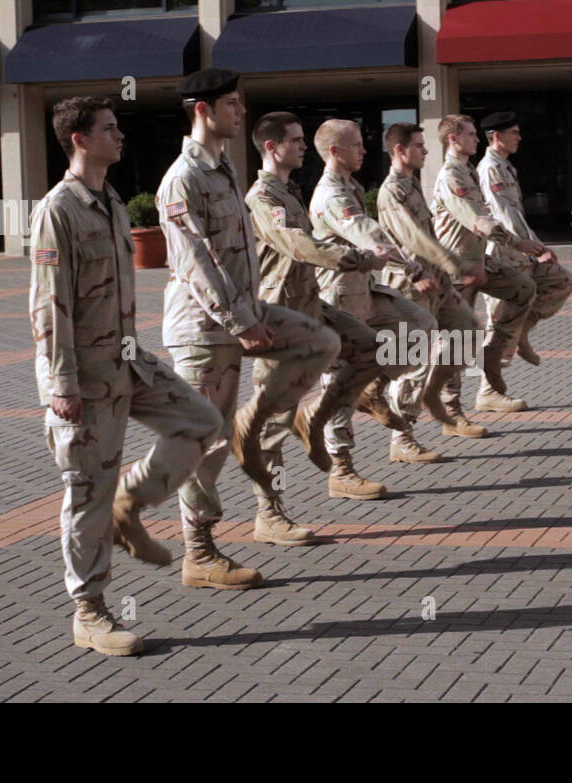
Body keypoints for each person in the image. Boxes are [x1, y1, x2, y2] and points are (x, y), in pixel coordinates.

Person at [30, 96, 223, 657]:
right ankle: (90, 612)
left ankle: (131, 501)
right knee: (86, 491)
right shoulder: (57, 210)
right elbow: (48, 307)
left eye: (118, 128)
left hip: (127, 359)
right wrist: (62, 384)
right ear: (79, 140)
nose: (121, 137)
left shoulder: (112, 202)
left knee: (202, 420)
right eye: (109, 130)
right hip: (83, 376)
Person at [158, 69, 340, 557]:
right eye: (233, 104)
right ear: (204, 109)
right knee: (204, 442)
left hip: (245, 316)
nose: (241, 112)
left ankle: (254, 424)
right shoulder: (183, 179)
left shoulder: (223, 169)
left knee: (323, 343)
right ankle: (199, 551)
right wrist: (243, 322)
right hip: (202, 329)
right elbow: (197, 261)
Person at [244, 112, 400, 510]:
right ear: (271, 147)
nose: (301, 146)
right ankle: (270, 511)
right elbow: (299, 246)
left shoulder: (290, 191)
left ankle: (315, 414)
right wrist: (360, 258)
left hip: (310, 304)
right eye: (295, 141)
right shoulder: (262, 198)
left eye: (301, 140)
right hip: (279, 315)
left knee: (370, 347)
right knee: (274, 420)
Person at [309, 118, 444, 481]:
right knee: (339, 380)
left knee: (422, 325)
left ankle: (376, 385)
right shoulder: (332, 196)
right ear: (335, 151)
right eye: (356, 145)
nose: (365, 151)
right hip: (338, 298)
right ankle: (341, 469)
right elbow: (369, 235)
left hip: (364, 291)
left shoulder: (349, 186)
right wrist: (415, 270)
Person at [431, 114, 551, 415]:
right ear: (453, 139)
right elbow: (477, 219)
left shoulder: (468, 172)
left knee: (524, 288)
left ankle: (492, 357)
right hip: (455, 269)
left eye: (475, 134)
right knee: (456, 340)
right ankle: (452, 412)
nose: (476, 138)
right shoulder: (451, 176)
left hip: (477, 262)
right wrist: (517, 243)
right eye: (470, 135)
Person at [376, 122, 488, 439]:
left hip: (437, 283)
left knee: (468, 333)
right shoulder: (392, 192)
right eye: (419, 146)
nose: (426, 151)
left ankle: (440, 400)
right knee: (413, 362)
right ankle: (403, 437)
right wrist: (445, 266)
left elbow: (427, 235)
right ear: (400, 150)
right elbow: (410, 240)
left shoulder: (412, 185)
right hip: (410, 285)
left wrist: (447, 275)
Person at [476, 111, 572, 369]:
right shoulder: (490, 169)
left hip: (520, 252)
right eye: (514, 133)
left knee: (562, 281)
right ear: (497, 136)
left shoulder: (506, 167)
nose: (520, 138)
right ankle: (489, 390)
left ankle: (522, 331)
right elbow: (503, 215)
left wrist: (536, 246)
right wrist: (534, 249)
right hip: (502, 254)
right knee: (501, 319)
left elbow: (516, 213)